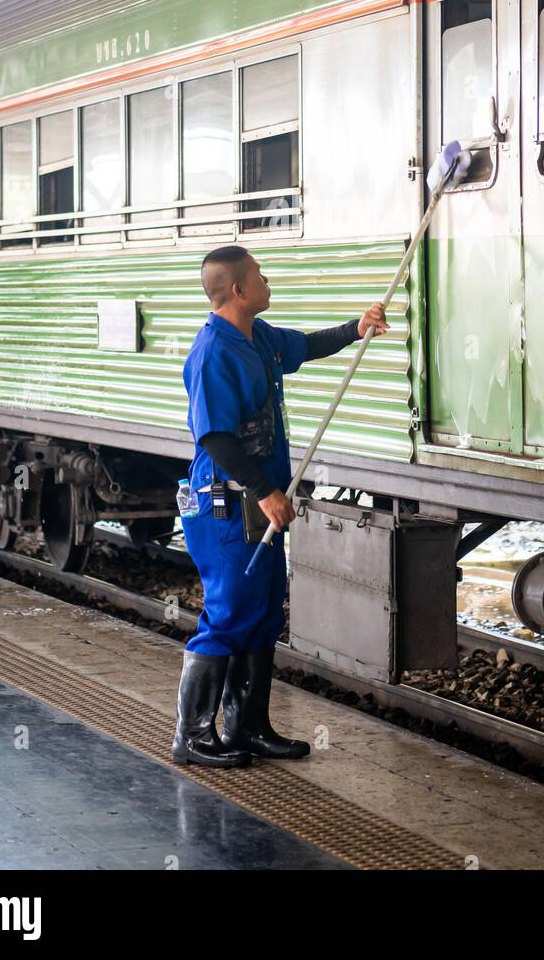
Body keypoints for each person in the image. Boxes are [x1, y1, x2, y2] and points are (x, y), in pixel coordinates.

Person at [172, 244, 388, 769]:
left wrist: (355, 328)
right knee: (227, 614)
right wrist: (266, 492)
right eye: (261, 275)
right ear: (240, 290)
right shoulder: (212, 353)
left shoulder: (258, 336)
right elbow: (216, 440)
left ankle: (247, 727)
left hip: (258, 503)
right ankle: (192, 736)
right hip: (226, 504)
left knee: (264, 612)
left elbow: (306, 346)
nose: (268, 281)